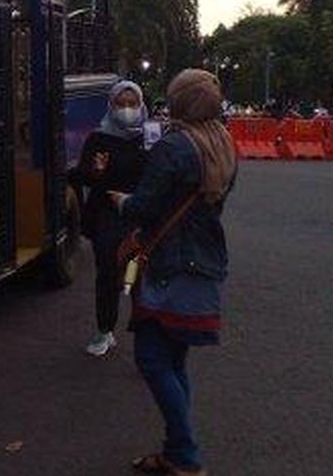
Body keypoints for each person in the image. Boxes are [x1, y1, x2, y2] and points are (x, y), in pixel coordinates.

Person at [109, 69, 238, 476]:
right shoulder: (222, 142)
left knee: (151, 358)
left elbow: (144, 207)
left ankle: (185, 454)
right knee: (175, 359)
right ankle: (176, 449)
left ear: (180, 100)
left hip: (169, 265)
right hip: (206, 260)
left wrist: (121, 201)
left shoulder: (174, 146)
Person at [75, 80, 149, 357]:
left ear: (141, 105)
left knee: (137, 275)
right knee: (107, 273)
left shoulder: (149, 137)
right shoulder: (99, 138)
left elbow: (160, 175)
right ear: (111, 106)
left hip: (139, 217)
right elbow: (82, 176)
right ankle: (105, 330)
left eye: (132, 104)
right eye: (121, 104)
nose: (127, 109)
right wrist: (96, 171)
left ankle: (143, 333)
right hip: (107, 217)